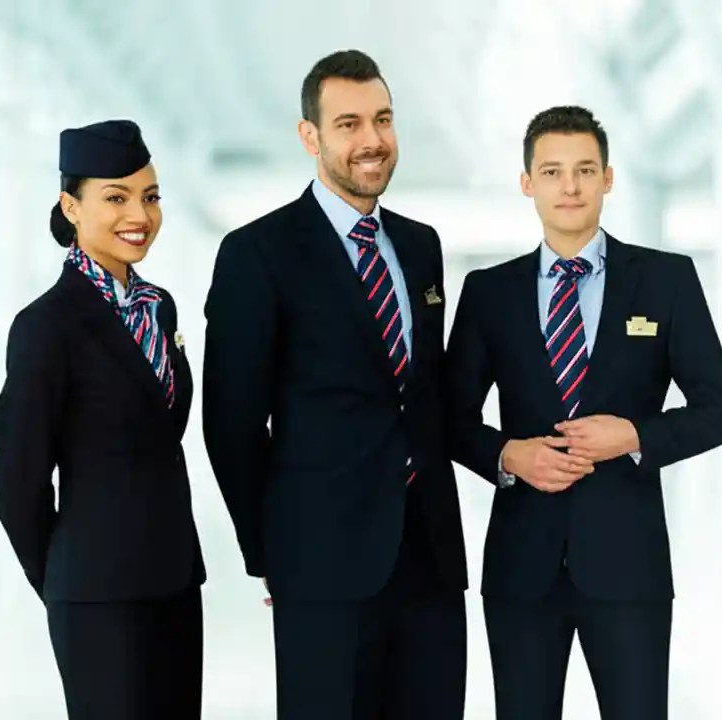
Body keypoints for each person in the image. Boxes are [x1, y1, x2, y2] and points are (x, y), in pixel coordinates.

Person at [446, 105, 722, 719]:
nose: (570, 186)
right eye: (552, 172)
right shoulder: (489, 292)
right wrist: (508, 454)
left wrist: (634, 435)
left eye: (585, 170)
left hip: (629, 564)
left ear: (608, 178)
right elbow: (448, 418)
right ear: (527, 182)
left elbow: (721, 409)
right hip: (521, 566)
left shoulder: (665, 280)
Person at [202, 50, 467, 720]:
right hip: (320, 566)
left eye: (383, 119)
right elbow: (231, 425)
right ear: (310, 136)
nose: (372, 139)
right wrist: (274, 555)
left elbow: (425, 395)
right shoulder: (258, 254)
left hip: (431, 561)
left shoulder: (421, 246)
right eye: (348, 124)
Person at [0, 119, 205, 719]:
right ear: (71, 206)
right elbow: (19, 483)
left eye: (150, 197)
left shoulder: (159, 308)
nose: (139, 215)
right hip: (97, 593)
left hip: (174, 580)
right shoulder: (45, 326)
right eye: (116, 198)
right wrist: (65, 578)